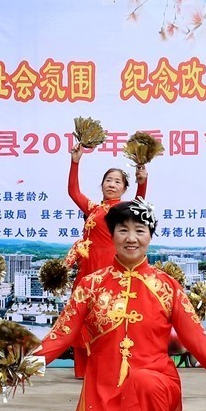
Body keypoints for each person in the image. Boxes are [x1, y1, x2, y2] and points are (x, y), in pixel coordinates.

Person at [36, 198, 206, 411]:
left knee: (144, 382)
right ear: (111, 235)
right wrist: (25, 362)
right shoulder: (91, 284)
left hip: (154, 378)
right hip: (102, 383)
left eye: (139, 230)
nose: (131, 238)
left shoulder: (167, 286)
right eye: (122, 230)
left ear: (150, 236)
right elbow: (61, 333)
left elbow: (198, 341)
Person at [64, 140, 149, 377]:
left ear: (123, 188)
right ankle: (84, 369)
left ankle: (112, 365)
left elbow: (140, 205)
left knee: (109, 315)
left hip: (109, 269)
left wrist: (142, 182)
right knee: (83, 316)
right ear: (102, 184)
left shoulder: (123, 209)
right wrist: (75, 161)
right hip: (86, 270)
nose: (111, 184)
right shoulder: (92, 208)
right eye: (108, 180)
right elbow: (73, 191)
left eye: (117, 181)